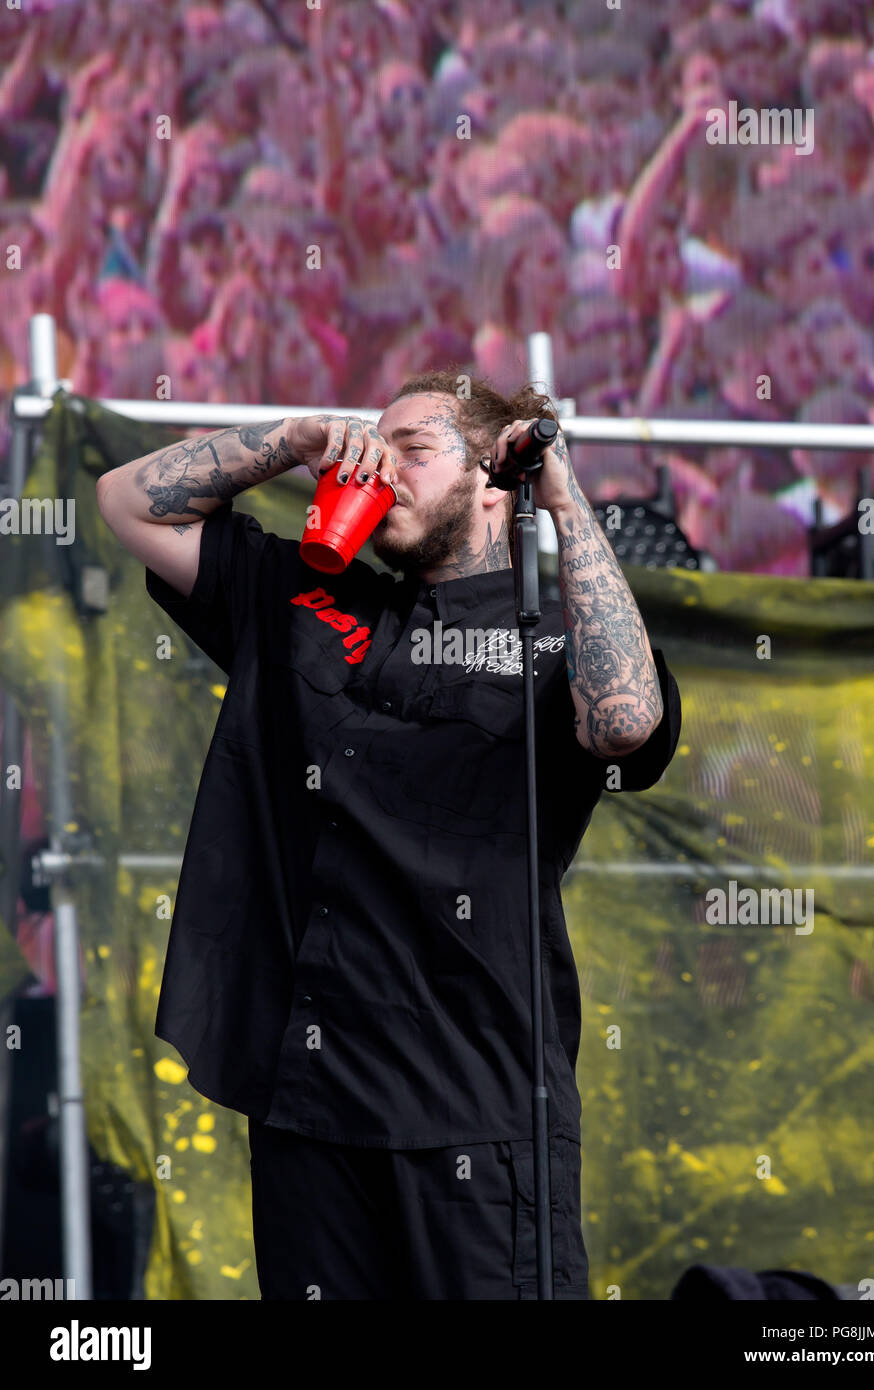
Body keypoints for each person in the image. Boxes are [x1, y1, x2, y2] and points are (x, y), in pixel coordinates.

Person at [95, 371, 681, 1300]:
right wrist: (301, 439)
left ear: (494, 475)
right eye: (377, 442)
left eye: (412, 447)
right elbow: (126, 504)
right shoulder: (303, 601)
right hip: (309, 1106)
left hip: (472, 1112)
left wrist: (563, 500)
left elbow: (622, 725)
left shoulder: (551, 638)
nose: (384, 463)